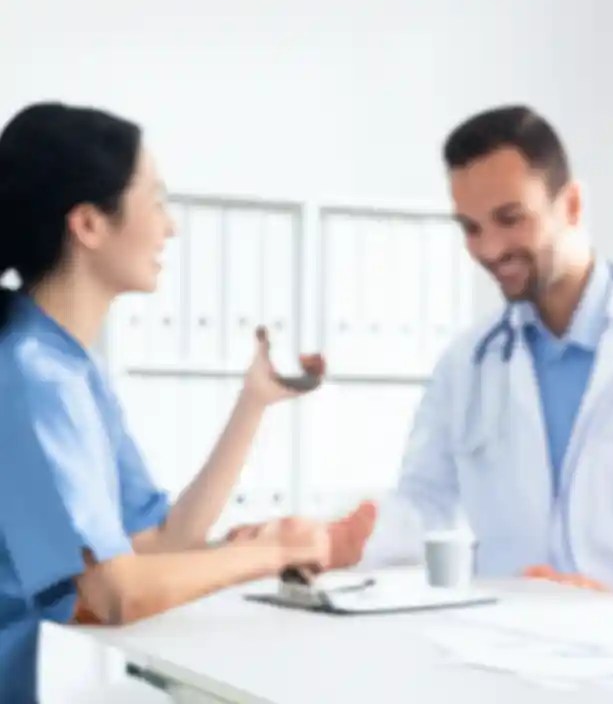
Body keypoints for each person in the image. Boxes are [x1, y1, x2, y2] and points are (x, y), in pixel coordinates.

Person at [0, 102, 376, 700]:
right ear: (89, 225)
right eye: (155, 200)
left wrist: (252, 405)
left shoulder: (69, 368)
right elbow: (114, 592)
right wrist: (273, 552)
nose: (169, 226)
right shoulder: (29, 376)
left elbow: (158, 541)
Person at [364, 104, 613, 606]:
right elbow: (423, 506)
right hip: (498, 648)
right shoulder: (466, 363)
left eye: (510, 219)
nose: (489, 249)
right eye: (470, 228)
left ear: (572, 205)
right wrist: (334, 538)